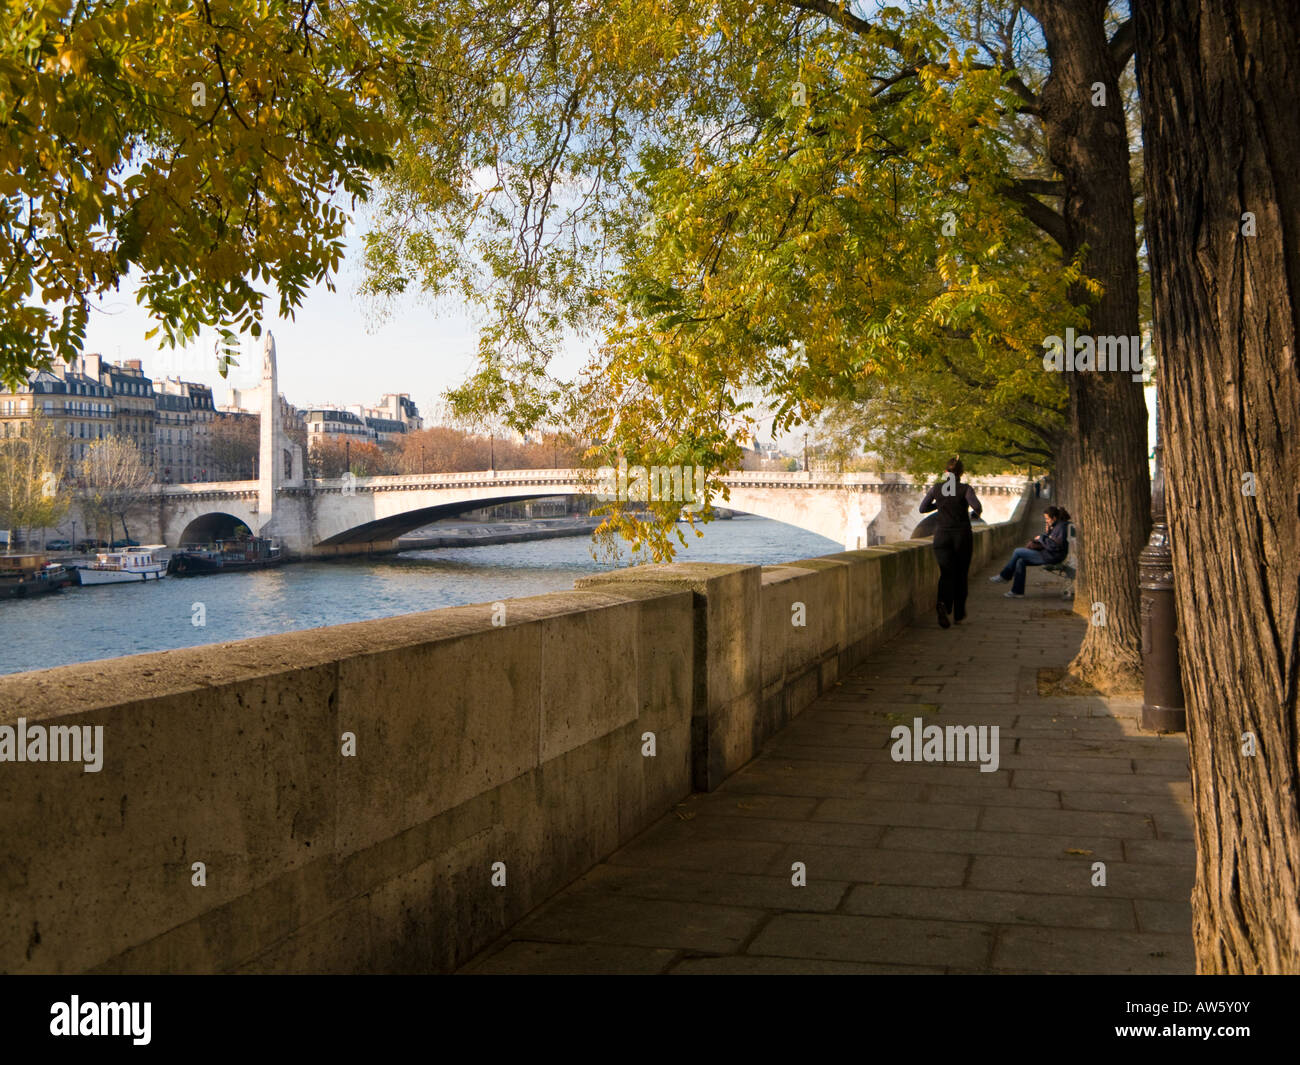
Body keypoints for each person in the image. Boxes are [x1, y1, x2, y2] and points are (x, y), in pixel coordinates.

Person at [919, 458, 982, 628]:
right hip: (961, 536)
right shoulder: (964, 489)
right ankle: (958, 614)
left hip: (941, 537)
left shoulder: (937, 488)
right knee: (961, 574)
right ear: (961, 473)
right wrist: (974, 515)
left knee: (946, 573)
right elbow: (976, 506)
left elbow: (922, 508)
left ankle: (943, 604)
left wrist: (939, 505)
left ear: (946, 472)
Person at [990, 505, 1071, 598]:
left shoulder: (1061, 528)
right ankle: (1017, 592)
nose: (1046, 521)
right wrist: (1047, 533)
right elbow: (1051, 541)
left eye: (1047, 518)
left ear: (1054, 518)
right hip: (1048, 554)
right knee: (1020, 561)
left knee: (1017, 551)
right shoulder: (1056, 526)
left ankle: (1005, 576)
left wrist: (1041, 538)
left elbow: (1054, 546)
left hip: (1052, 556)